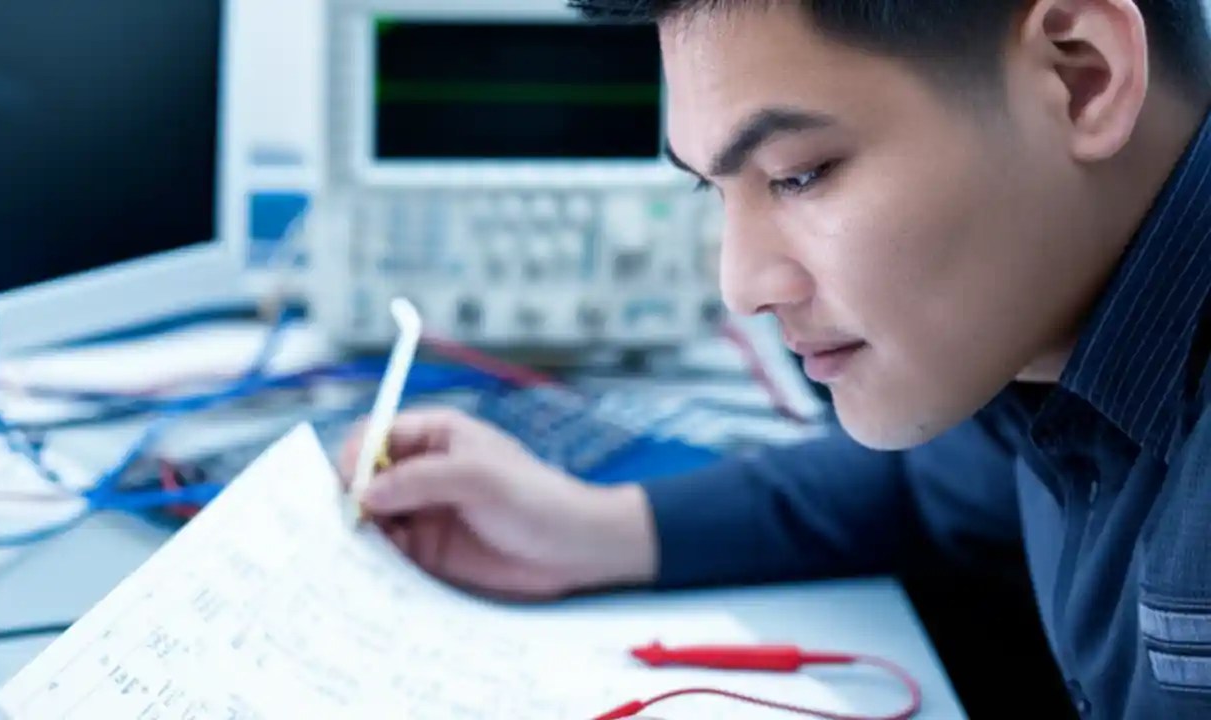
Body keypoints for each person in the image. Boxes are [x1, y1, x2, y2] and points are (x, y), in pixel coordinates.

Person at [342, 1, 1211, 718]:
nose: (741, 287)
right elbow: (926, 485)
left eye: (797, 175)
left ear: (1082, 78)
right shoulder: (1044, 346)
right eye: (713, 189)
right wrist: (590, 533)